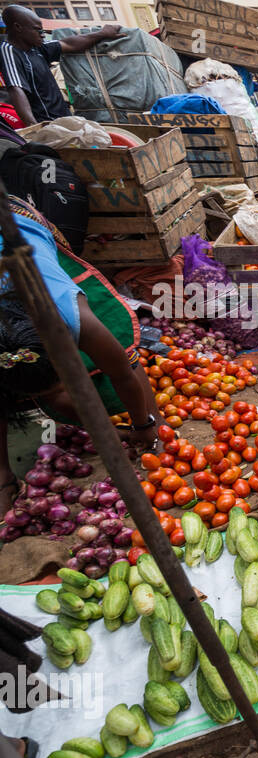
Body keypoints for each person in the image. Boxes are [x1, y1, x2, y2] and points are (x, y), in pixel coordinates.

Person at [0, 199, 161, 514]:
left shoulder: (73, 314)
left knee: (116, 341)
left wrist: (145, 423)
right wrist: (4, 476)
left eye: (59, 382)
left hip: (19, 226)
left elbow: (124, 370)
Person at [0, 6, 119, 127]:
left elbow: (69, 44)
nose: (42, 35)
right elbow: (16, 89)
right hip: (46, 123)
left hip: (63, 119)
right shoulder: (9, 51)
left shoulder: (37, 47)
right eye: (38, 30)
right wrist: (34, 127)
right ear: (18, 27)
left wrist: (102, 33)